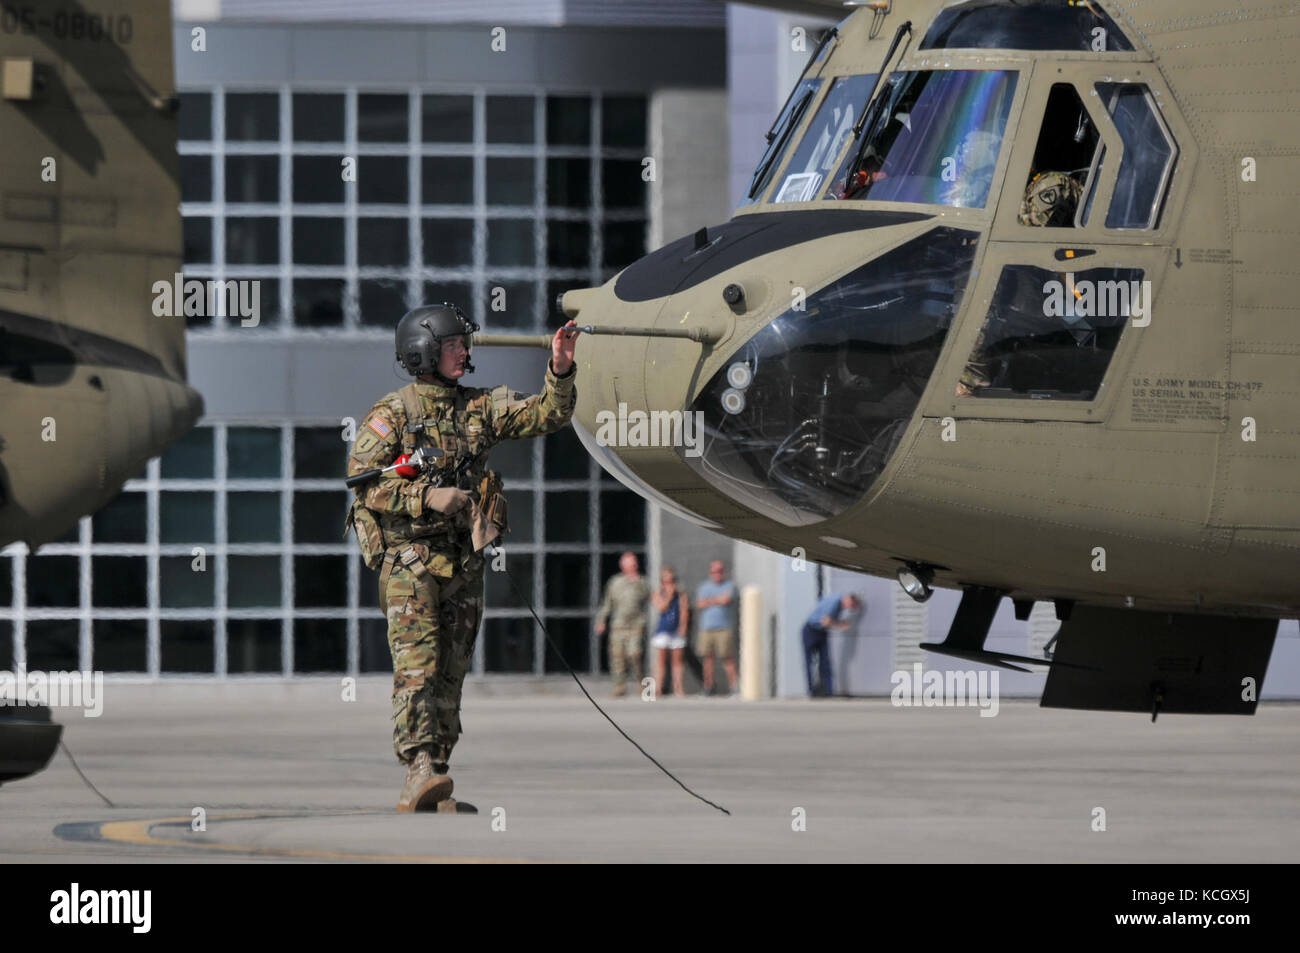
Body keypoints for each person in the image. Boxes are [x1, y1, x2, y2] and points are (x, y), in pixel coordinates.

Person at [346, 302, 580, 812]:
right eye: (453, 345)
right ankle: (417, 769)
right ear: (424, 351)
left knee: (452, 670)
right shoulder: (393, 413)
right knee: (419, 667)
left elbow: (548, 413)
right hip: (411, 563)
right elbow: (363, 485)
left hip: (463, 565)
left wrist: (560, 367)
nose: (463, 353)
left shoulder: (477, 407)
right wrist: (425, 497)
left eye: (462, 344)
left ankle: (439, 774)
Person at [595, 552, 651, 698]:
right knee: (617, 658)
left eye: (634, 563)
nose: (633, 566)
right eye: (630, 564)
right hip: (618, 626)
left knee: (635, 654)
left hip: (636, 626)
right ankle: (619, 687)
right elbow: (607, 603)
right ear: (623, 566)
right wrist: (601, 621)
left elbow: (652, 599)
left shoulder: (642, 582)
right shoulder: (615, 582)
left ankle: (644, 687)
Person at [802, 593, 862, 697]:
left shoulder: (839, 606)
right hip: (811, 630)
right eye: (851, 606)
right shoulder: (834, 602)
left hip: (822, 632)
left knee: (825, 662)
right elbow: (825, 621)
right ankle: (813, 691)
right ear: (849, 600)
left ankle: (828, 691)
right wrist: (840, 624)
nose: (849, 609)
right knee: (810, 662)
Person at [695, 560, 739, 696]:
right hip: (707, 628)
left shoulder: (729, 586)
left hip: (723, 628)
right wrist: (717, 600)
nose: (717, 574)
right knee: (708, 659)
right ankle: (708, 687)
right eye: (714, 571)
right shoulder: (704, 587)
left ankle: (734, 687)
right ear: (710, 572)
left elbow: (726, 600)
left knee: (727, 658)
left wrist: (710, 600)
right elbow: (700, 604)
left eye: (720, 571)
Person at [649, 565, 689, 697]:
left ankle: (679, 689)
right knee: (660, 661)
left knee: (677, 662)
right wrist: (669, 596)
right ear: (662, 582)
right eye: (666, 581)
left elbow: (684, 611)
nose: (669, 584)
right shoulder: (657, 593)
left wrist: (683, 627)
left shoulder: (681, 595)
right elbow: (661, 607)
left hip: (676, 632)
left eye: (672, 581)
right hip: (663, 631)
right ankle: (658, 689)